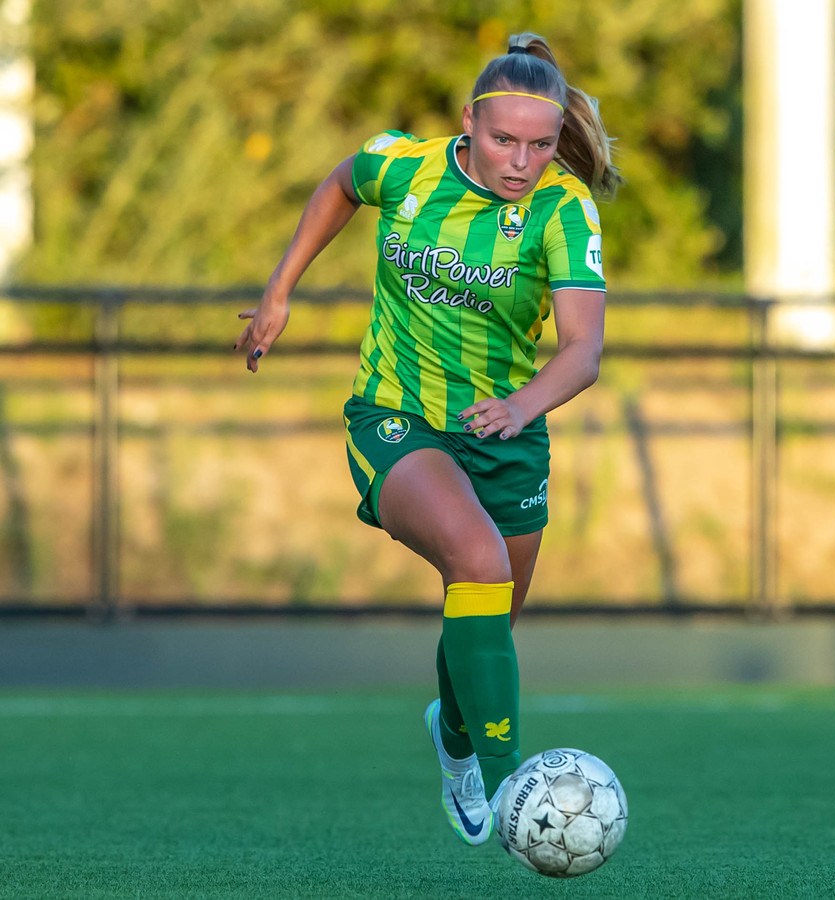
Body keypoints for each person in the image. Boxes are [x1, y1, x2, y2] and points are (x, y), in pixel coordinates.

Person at [235, 31, 619, 846]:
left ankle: (451, 740)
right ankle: (516, 778)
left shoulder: (561, 209)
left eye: (540, 145)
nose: (521, 161)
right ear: (468, 125)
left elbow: (583, 349)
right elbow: (342, 182)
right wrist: (280, 288)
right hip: (394, 416)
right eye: (503, 140)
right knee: (474, 561)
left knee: (487, 616)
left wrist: (522, 405)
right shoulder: (405, 166)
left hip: (505, 433)